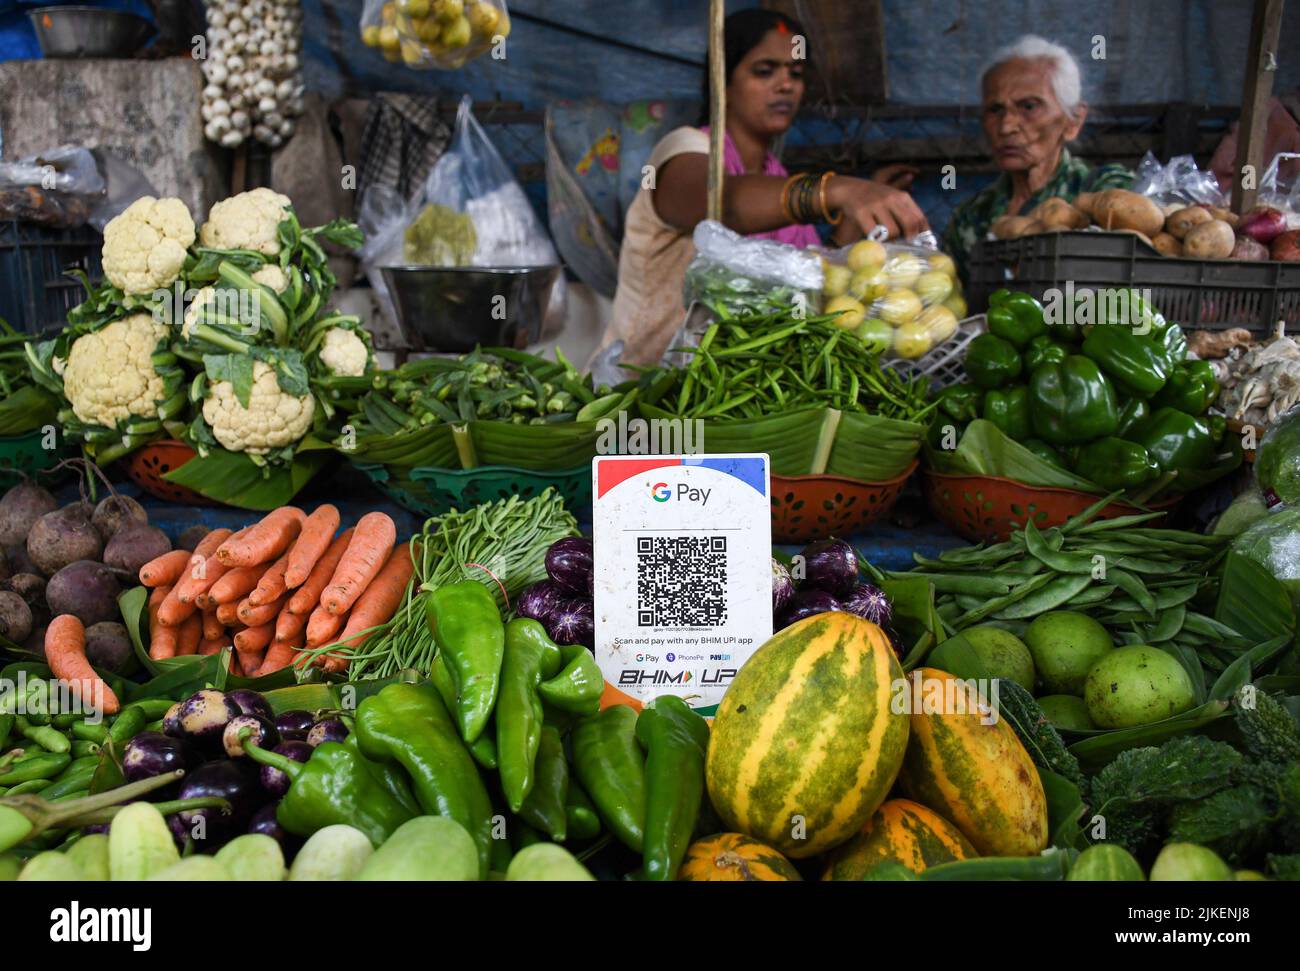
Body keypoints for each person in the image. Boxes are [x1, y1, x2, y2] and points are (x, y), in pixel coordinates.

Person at [595, 9, 928, 370]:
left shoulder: (776, 177)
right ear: (723, 80)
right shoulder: (681, 153)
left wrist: (851, 221)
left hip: (727, 398)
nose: (786, 85)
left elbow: (806, 285)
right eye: (764, 70)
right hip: (636, 394)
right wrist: (838, 190)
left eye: (796, 73)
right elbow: (725, 206)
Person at [941, 35, 1133, 283]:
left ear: (1073, 120)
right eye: (995, 110)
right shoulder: (971, 217)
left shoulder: (1106, 191)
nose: (1007, 126)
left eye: (1029, 107)